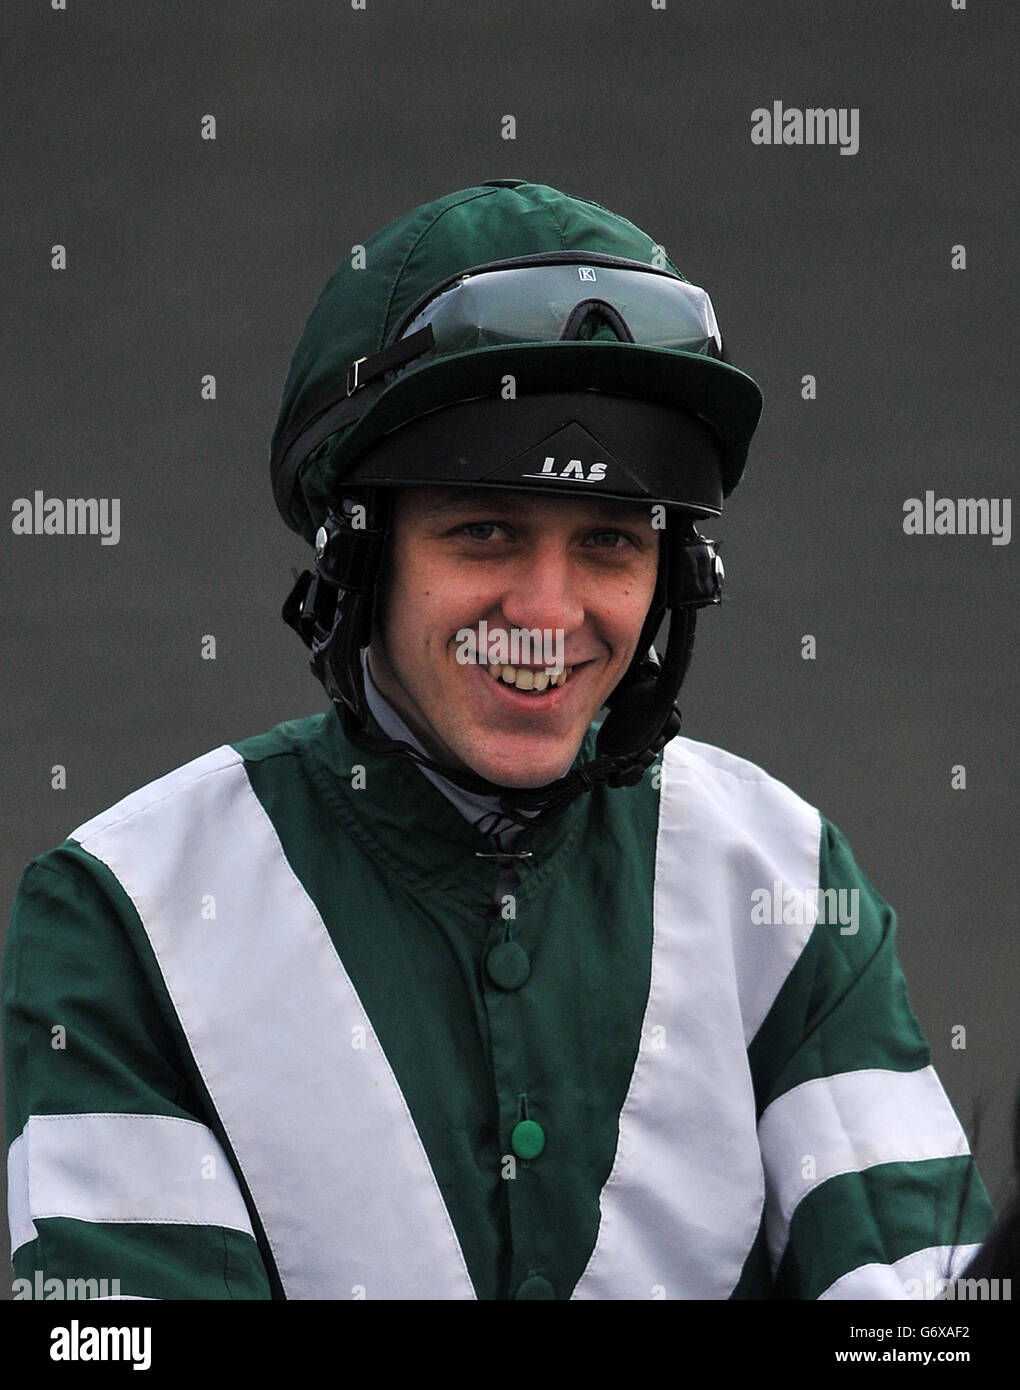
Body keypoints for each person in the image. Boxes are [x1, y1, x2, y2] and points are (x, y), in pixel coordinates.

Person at [3, 180, 994, 1301]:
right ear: (359, 561)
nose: (548, 611)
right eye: (485, 530)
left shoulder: (790, 881)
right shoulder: (123, 912)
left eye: (612, 542)